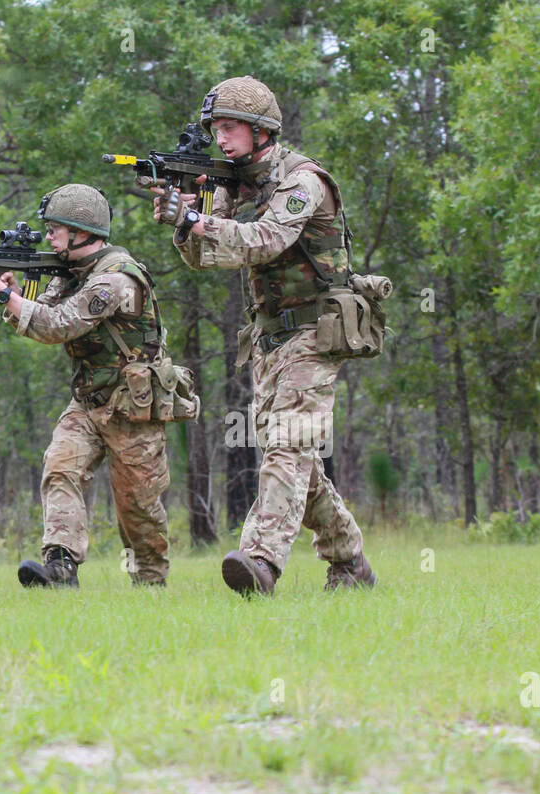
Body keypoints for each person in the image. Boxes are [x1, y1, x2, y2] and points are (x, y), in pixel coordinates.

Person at [151, 75, 374, 596]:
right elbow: (211, 257)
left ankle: (261, 561)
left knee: (287, 449)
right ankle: (351, 562)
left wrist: (196, 217)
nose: (221, 140)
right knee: (296, 457)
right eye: (215, 130)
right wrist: (184, 221)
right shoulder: (235, 184)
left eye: (229, 128)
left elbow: (264, 240)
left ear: (260, 129)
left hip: (318, 332)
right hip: (269, 337)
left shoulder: (303, 180)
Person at [0, 183, 171, 588]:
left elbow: (61, 324)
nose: (49, 236)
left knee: (137, 508)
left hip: (133, 405)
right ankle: (60, 567)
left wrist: (4, 293)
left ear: (82, 230)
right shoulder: (72, 274)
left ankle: (151, 585)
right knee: (61, 467)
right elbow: (44, 317)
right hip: (89, 401)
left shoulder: (115, 279)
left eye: (56, 228)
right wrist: (15, 296)